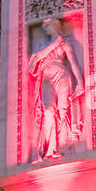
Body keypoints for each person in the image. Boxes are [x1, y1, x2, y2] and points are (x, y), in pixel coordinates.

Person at [28, 19, 85, 161]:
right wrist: (55, 44)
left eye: (47, 25)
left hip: (62, 76)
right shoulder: (44, 44)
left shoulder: (65, 44)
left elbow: (73, 63)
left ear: (54, 26)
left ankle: (56, 148)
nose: (45, 28)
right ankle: (48, 149)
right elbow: (37, 59)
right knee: (48, 110)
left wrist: (80, 82)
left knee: (63, 110)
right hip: (45, 77)